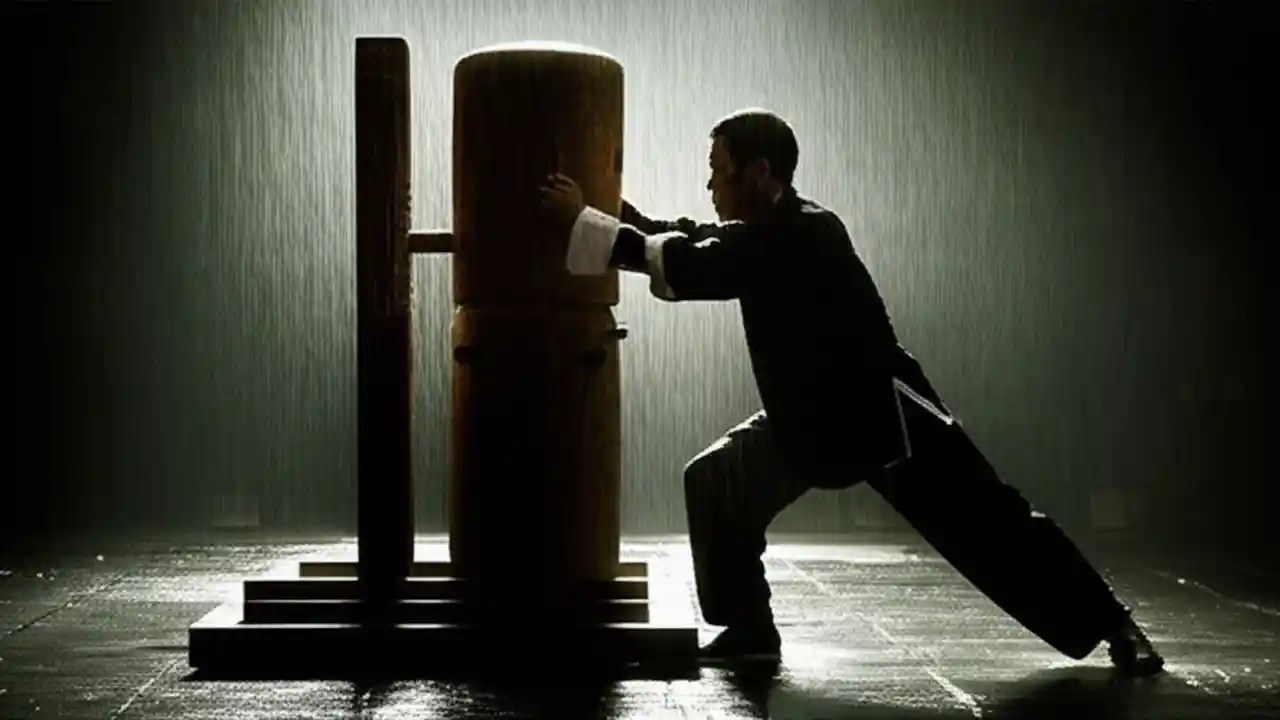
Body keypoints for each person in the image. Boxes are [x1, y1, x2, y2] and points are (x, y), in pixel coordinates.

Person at [537, 108, 1164, 676]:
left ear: (760, 173)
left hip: (882, 415)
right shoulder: (760, 230)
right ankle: (750, 628)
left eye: (719, 172)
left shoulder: (805, 231)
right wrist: (611, 215)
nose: (711, 186)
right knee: (715, 480)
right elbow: (690, 237)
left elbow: (698, 263)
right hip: (806, 420)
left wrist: (588, 223)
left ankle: (1115, 625)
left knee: (994, 524)